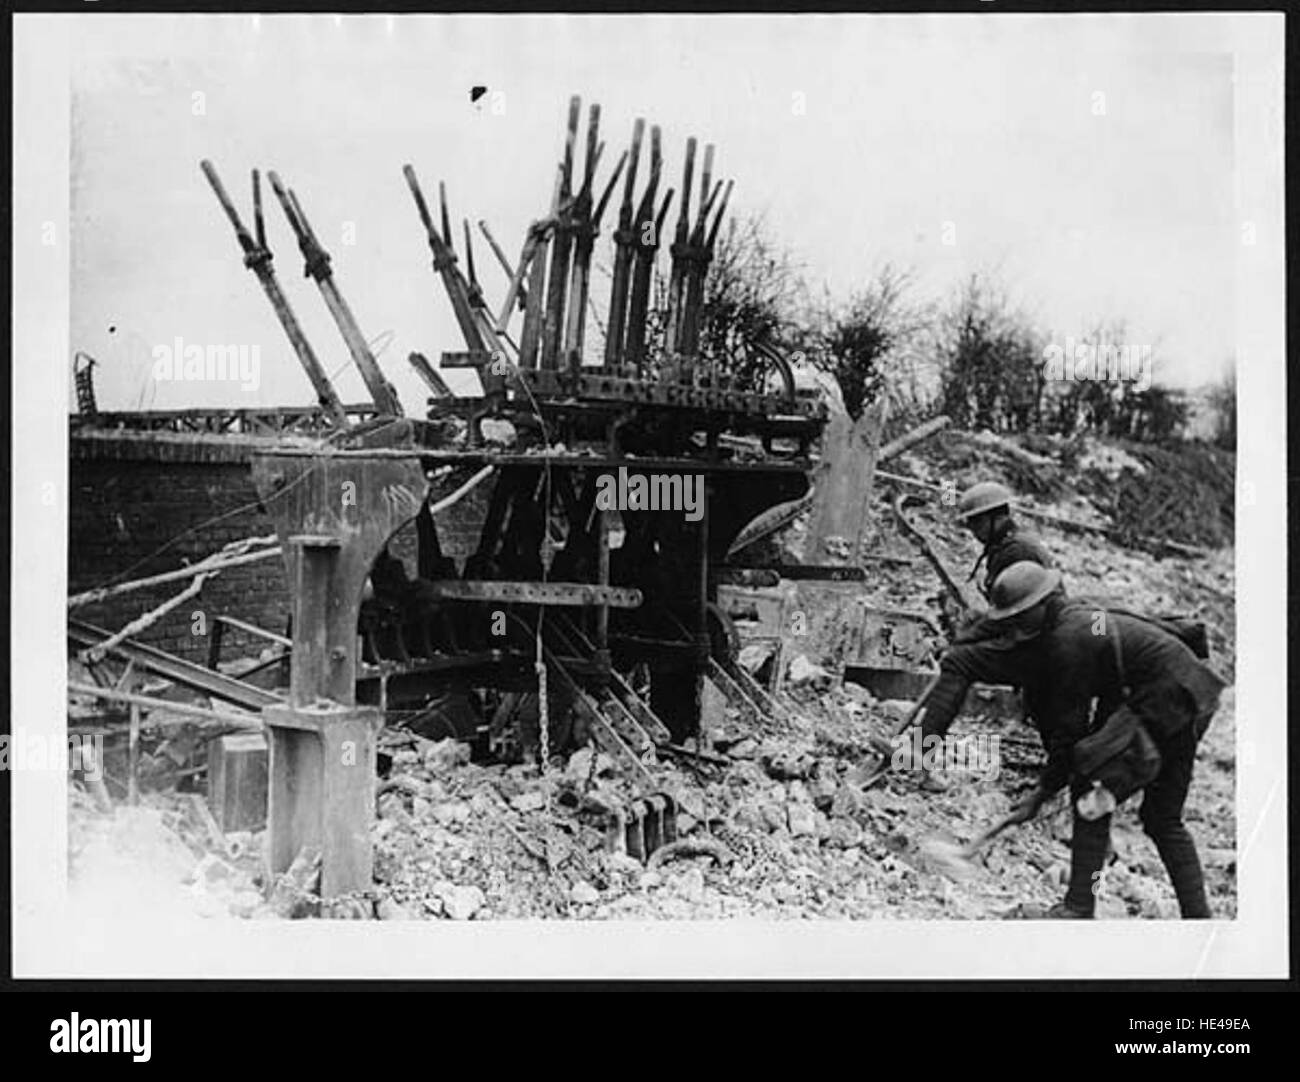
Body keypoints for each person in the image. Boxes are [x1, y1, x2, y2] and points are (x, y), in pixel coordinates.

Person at [911, 561, 1225, 919]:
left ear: (1040, 606)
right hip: (1194, 696)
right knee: (1162, 818)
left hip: (1163, 701)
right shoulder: (1070, 616)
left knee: (1090, 795)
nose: (1015, 628)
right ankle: (1199, 919)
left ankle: (1080, 904)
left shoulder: (1068, 642)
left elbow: (1069, 735)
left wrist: (1043, 791)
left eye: (1020, 618)